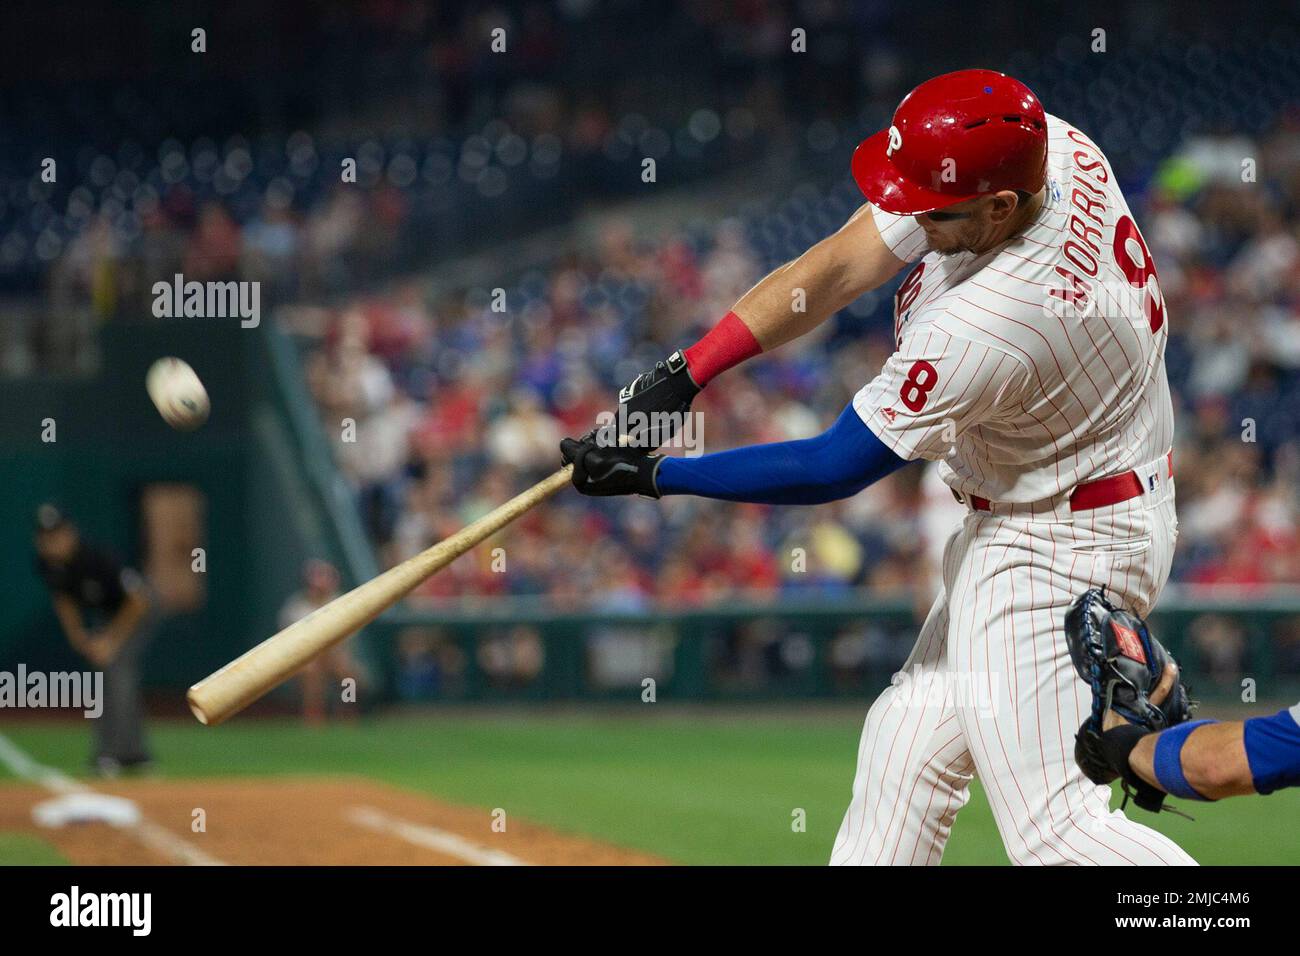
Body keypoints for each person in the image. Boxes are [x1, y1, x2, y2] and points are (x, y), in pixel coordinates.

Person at [561, 69, 1193, 864]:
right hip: (1061, 503)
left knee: (1055, 831)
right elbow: (836, 266)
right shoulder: (1047, 149)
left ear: (1000, 208)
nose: (911, 216)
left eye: (934, 209)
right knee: (906, 757)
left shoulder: (994, 322)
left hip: (1060, 545)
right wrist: (689, 372)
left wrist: (659, 475)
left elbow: (832, 466)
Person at [33, 504, 153, 776]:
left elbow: (139, 601)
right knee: (110, 678)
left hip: (137, 611)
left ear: (70, 533)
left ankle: (116, 754)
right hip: (108, 617)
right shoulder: (48, 564)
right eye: (45, 536)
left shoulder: (96, 558)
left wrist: (110, 641)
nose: (51, 542)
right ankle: (133, 755)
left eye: (56, 534)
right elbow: (64, 601)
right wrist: (79, 638)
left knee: (118, 675)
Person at [278, 559, 367, 724]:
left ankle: (348, 710)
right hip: (305, 657)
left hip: (336, 655)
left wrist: (330, 654)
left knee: (347, 674)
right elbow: (289, 641)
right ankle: (313, 715)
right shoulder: (296, 607)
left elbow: (347, 640)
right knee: (311, 671)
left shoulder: (343, 603)